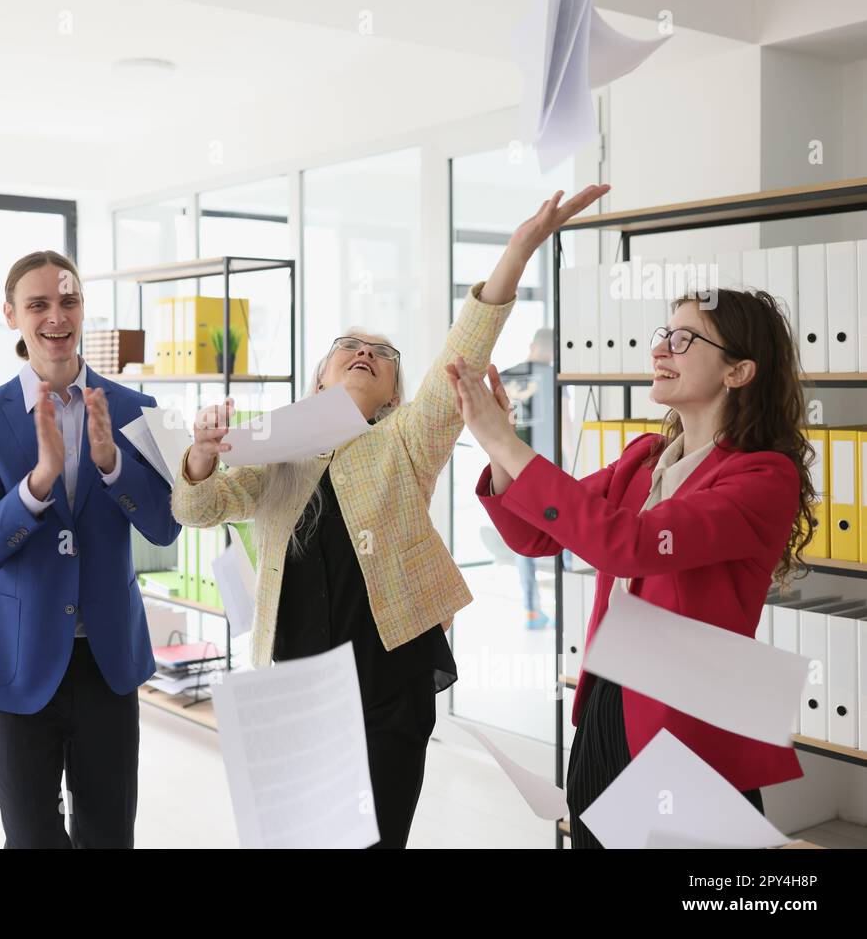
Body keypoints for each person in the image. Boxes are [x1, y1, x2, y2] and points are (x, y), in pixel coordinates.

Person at [173, 185, 609, 848]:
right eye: (348, 344)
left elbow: (464, 349)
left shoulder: (404, 438)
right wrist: (202, 455)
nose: (364, 351)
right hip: (293, 683)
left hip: (387, 684)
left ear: (394, 396)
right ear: (318, 376)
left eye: (382, 354)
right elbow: (201, 507)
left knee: (375, 840)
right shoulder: (276, 449)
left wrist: (518, 250)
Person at [451, 279, 815, 849]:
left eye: (684, 338)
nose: (660, 349)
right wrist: (502, 447)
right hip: (608, 703)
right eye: (663, 334)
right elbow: (531, 534)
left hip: (688, 721)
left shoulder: (764, 476)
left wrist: (509, 445)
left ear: (738, 372)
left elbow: (633, 545)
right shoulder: (643, 458)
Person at [0, 250, 181, 849]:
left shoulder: (138, 410)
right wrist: (37, 485)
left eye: (68, 301)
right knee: (32, 840)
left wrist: (113, 467)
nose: (55, 317)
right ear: (11, 315)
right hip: (15, 658)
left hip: (107, 661)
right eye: (38, 304)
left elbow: (167, 529)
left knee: (110, 835)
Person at [500, 327, 563, 628]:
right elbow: (565, 422)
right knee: (563, 528)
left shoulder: (505, 375)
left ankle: (531, 608)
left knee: (522, 537)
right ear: (552, 350)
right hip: (544, 468)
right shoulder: (552, 376)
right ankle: (567, 603)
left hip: (511, 466)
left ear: (531, 345)